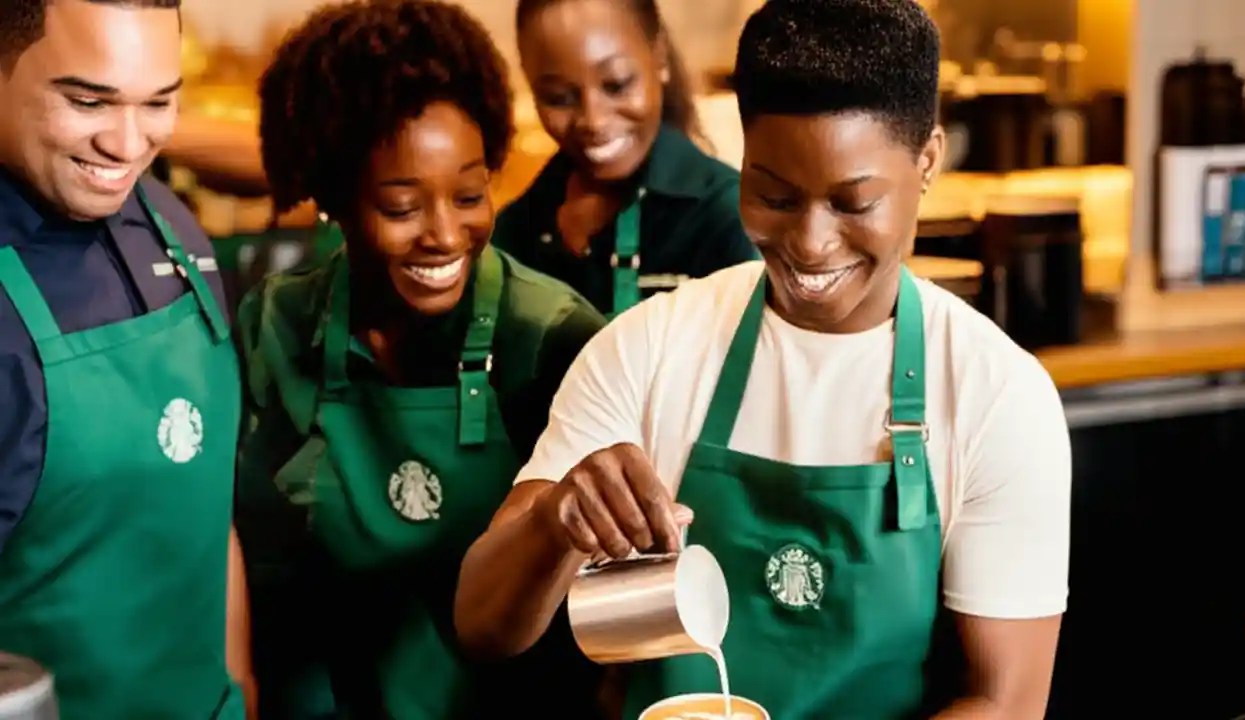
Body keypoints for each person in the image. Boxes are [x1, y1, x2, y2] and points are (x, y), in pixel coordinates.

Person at [456, 1, 1072, 718]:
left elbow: (1005, 702)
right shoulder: (647, 349)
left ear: (927, 160)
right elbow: (484, 627)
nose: (810, 244)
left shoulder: (997, 394)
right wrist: (556, 522)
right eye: (775, 195)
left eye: (853, 203)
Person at [234, 1, 608, 717]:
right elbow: (260, 570)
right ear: (334, 197)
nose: (445, 234)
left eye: (470, 195)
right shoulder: (278, 324)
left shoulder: (554, 337)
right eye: (402, 207)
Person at [0, 0, 255, 718]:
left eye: (159, 103)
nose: (127, 144)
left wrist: (239, 687)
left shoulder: (174, 227)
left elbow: (206, 512)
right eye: (88, 101)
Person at [491, 0, 758, 318]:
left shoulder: (728, 216)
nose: (594, 121)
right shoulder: (515, 230)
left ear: (659, 58)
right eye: (559, 98)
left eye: (617, 84)